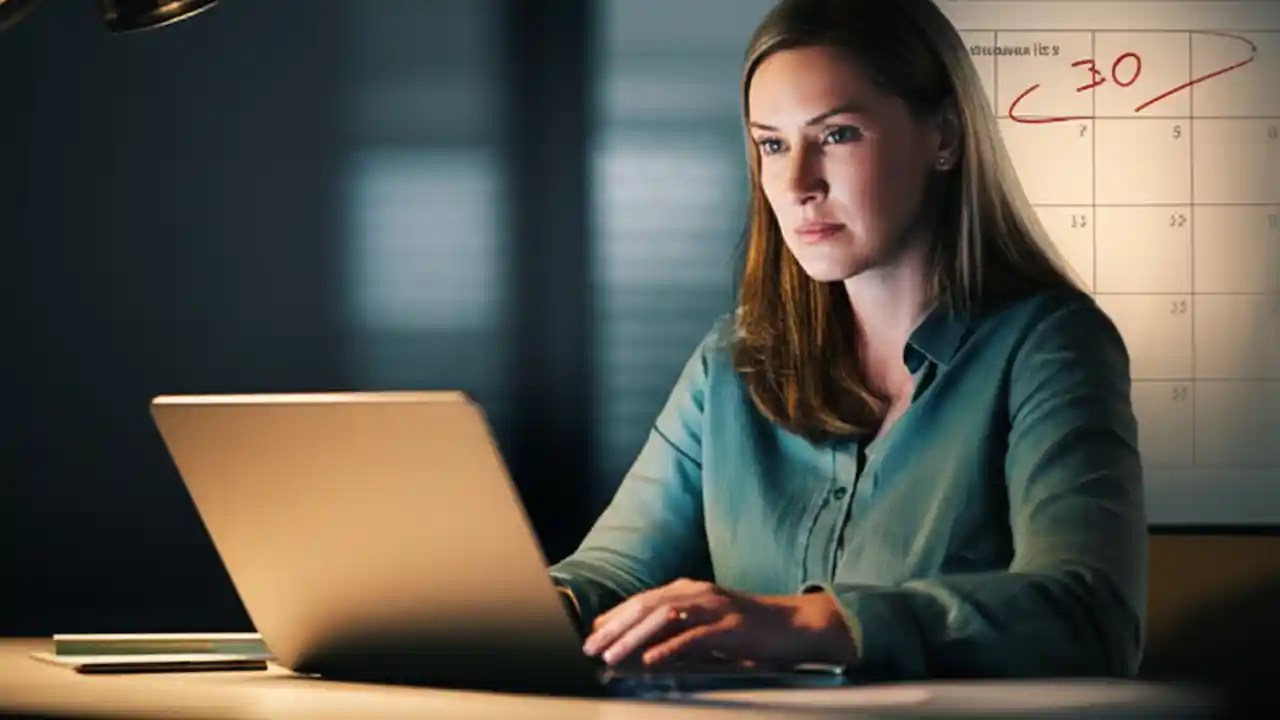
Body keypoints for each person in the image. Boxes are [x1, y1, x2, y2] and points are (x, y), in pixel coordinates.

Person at [550, 0, 1147, 680]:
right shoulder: (732, 364)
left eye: (836, 136)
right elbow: (610, 573)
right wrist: (521, 607)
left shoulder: (1051, 346)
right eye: (772, 144)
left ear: (945, 138)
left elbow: (1091, 615)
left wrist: (807, 623)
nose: (798, 183)